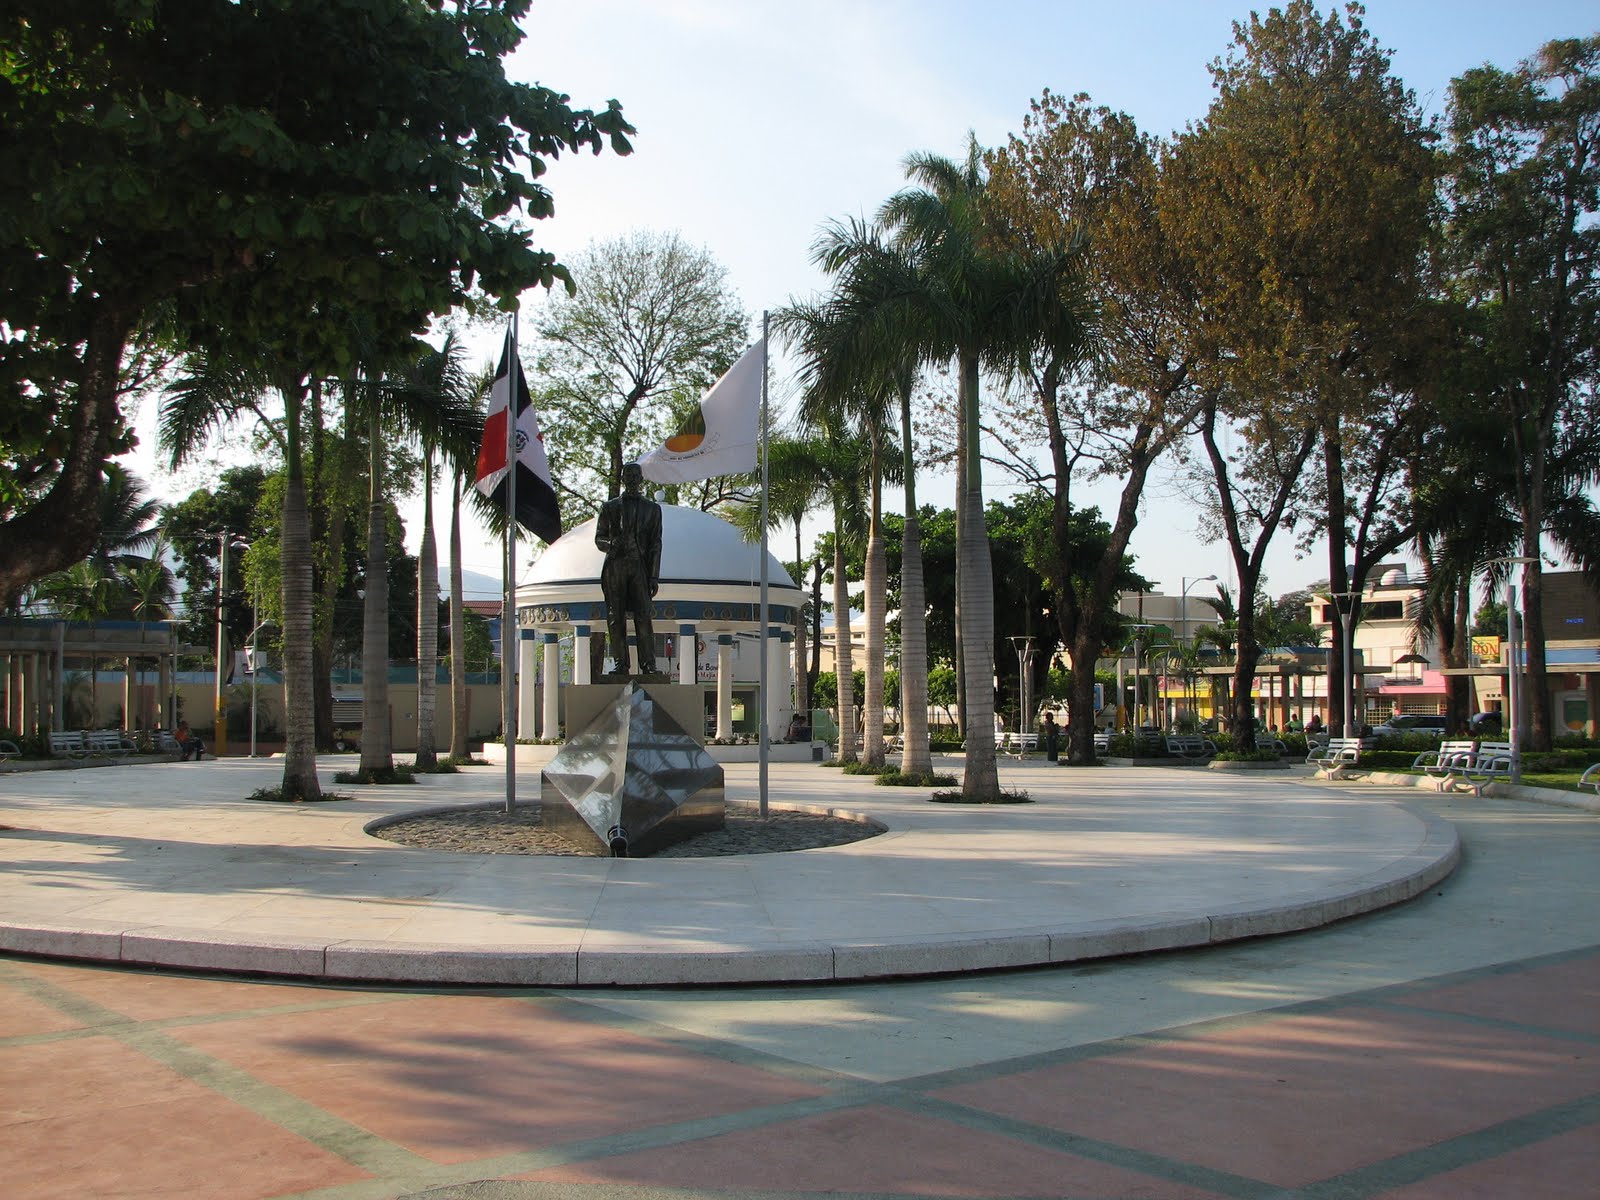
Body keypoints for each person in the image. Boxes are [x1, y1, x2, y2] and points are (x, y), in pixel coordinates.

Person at [594, 462, 663, 676]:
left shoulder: (653, 509)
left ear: (641, 479)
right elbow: (599, 538)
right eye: (628, 475)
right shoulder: (610, 507)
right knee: (615, 618)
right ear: (623, 479)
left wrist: (653, 575)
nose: (632, 479)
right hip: (616, 566)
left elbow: (656, 544)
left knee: (644, 616)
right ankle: (620, 664)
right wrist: (614, 545)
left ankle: (648, 664)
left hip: (640, 567)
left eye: (636, 475)